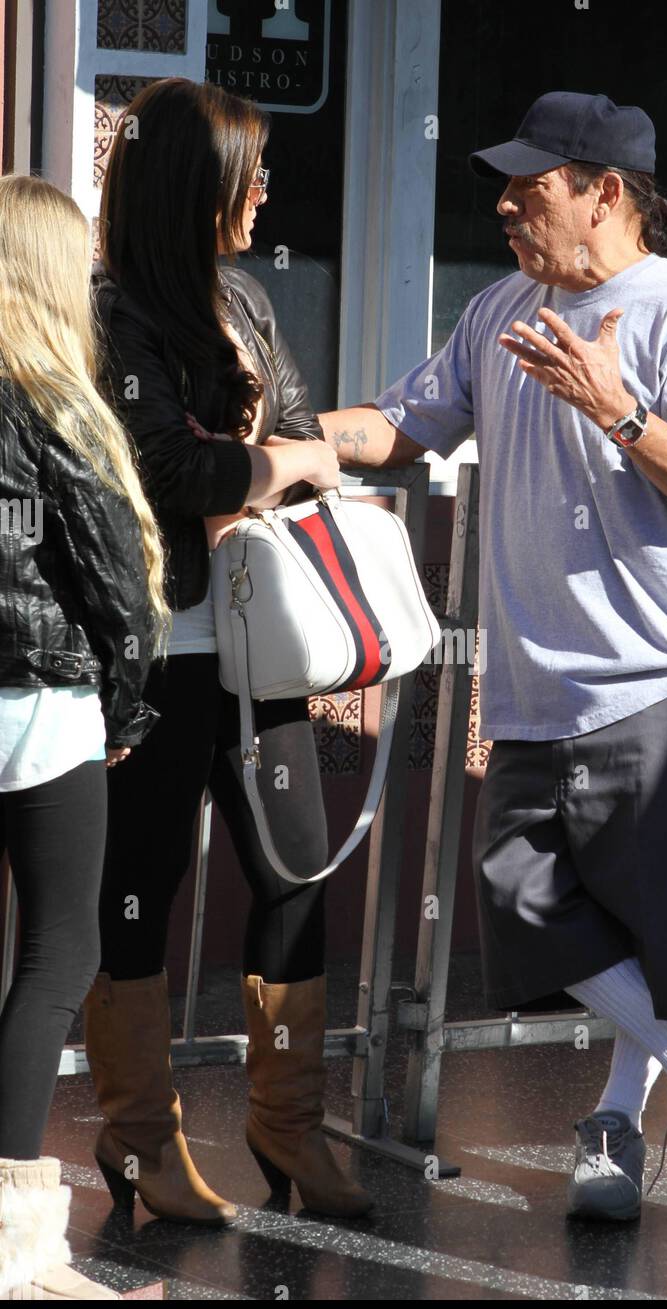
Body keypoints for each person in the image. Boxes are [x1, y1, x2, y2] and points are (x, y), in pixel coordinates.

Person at [320, 92, 667, 1228]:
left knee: (658, 939)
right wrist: (289, 445)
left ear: (604, 194)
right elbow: (407, 424)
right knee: (520, 895)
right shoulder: (496, 309)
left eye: (530, 186)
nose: (503, 202)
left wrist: (614, 409)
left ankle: (617, 1133)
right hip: (538, 687)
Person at [87, 77, 371, 1225]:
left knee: (295, 873)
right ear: (194, 187)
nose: (267, 189)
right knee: (138, 891)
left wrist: (254, 453)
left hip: (263, 648)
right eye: (249, 171)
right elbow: (163, 469)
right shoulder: (109, 311)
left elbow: (303, 442)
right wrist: (251, 460)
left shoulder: (243, 301)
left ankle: (287, 1126)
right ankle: (141, 1139)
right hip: (158, 646)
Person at [0, 174, 166, 1299]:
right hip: (42, 705)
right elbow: (117, 580)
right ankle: (14, 1253)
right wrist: (128, 701)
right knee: (57, 956)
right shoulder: (53, 397)